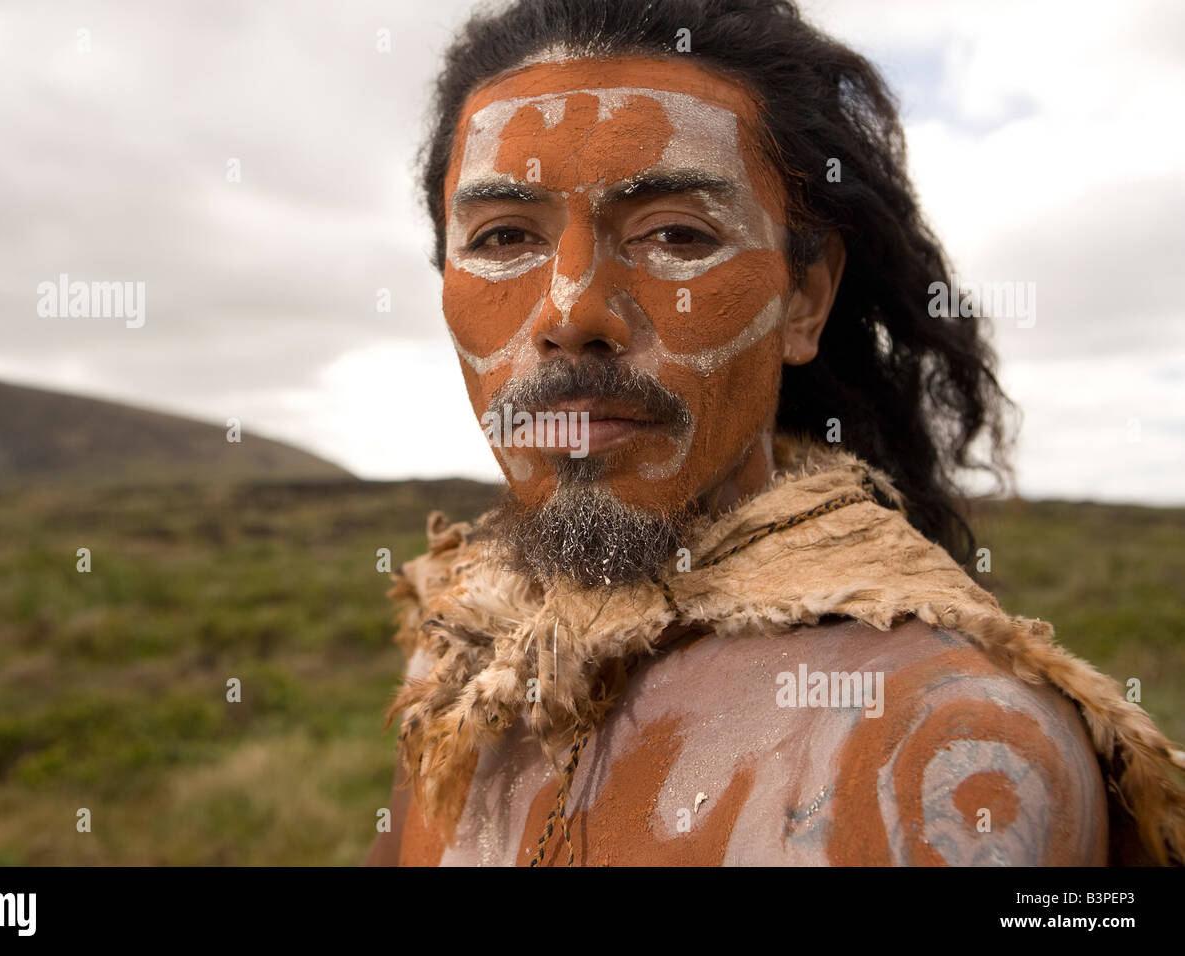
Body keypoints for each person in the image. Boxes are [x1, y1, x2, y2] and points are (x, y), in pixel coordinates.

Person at [365, 0, 1185, 866]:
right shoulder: (464, 663)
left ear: (805, 298)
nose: (572, 313)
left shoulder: (938, 747)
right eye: (503, 238)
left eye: (674, 233)